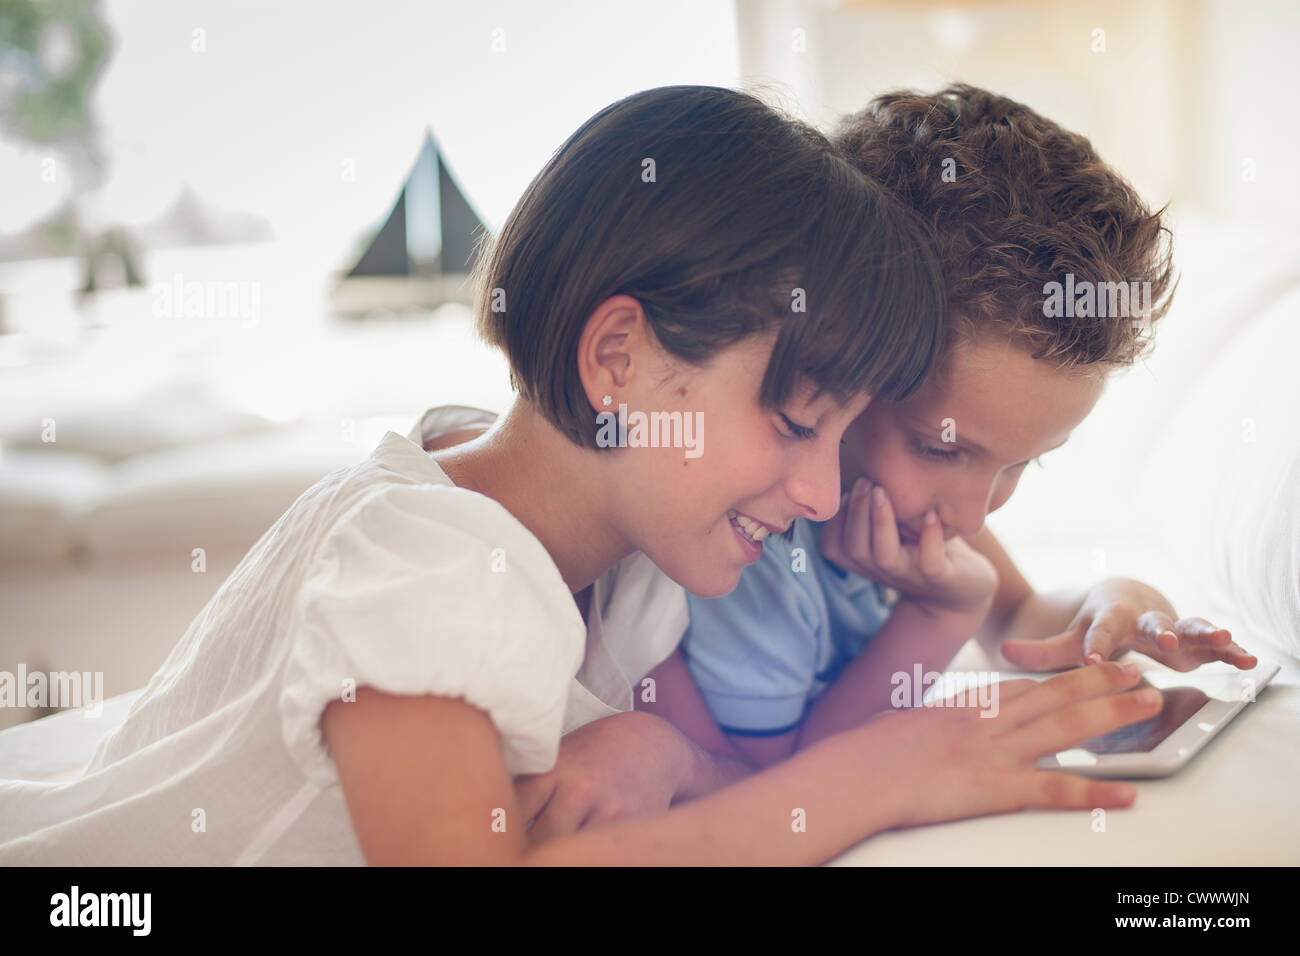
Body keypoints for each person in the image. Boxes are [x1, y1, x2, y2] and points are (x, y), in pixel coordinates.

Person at [0, 86, 1161, 866]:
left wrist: (678, 752)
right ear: (618, 358)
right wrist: (878, 780)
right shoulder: (434, 568)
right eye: (799, 423)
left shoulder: (637, 548)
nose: (819, 492)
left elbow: (691, 773)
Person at [661, 85, 1255, 772]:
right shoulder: (747, 540)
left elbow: (1019, 617)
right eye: (941, 447)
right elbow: (779, 787)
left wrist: (1105, 606)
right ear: (846, 351)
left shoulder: (926, 503)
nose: (976, 510)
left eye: (1024, 464)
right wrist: (936, 615)